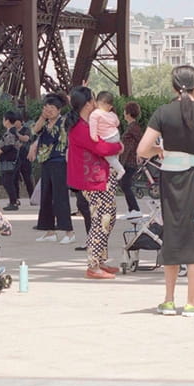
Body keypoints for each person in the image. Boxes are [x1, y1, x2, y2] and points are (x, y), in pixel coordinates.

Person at [137, 64, 194, 316]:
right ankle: (192, 302)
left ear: (173, 86)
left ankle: (167, 300)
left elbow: (143, 149)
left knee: (172, 232)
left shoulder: (163, 112)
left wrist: (160, 151)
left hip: (170, 174)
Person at [67, 85, 123, 279]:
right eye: (92, 100)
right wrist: (118, 146)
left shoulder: (85, 124)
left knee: (107, 218)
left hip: (100, 177)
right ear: (88, 103)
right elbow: (102, 148)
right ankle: (93, 264)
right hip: (94, 180)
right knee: (102, 220)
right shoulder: (80, 128)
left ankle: (99, 260)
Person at [30, 93, 74, 243]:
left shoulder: (64, 121)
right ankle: (49, 231)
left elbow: (75, 114)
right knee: (46, 196)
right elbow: (34, 130)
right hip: (46, 162)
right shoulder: (45, 124)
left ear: (58, 109)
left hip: (60, 161)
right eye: (46, 108)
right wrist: (42, 117)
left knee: (60, 196)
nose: (48, 111)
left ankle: (69, 232)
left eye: (52, 109)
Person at [0, 111, 27, 210]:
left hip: (10, 161)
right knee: (9, 181)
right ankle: (14, 200)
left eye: (3, 119)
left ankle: (13, 202)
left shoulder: (11, 131)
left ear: (7, 121)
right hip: (10, 160)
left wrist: (0, 150)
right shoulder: (11, 131)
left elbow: (10, 145)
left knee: (7, 181)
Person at [89, 90, 125, 180]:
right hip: (116, 135)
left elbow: (93, 133)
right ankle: (115, 166)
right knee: (114, 155)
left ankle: (120, 169)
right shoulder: (112, 114)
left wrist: (96, 140)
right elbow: (117, 123)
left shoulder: (94, 114)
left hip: (107, 138)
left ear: (97, 103)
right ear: (110, 106)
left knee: (108, 155)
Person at [118, 102, 143, 213]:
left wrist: (139, 153)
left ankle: (134, 210)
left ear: (128, 113)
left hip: (130, 160)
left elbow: (141, 140)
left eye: (124, 111)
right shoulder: (132, 126)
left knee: (125, 184)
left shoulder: (134, 127)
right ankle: (132, 210)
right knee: (124, 184)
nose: (123, 113)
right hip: (126, 160)